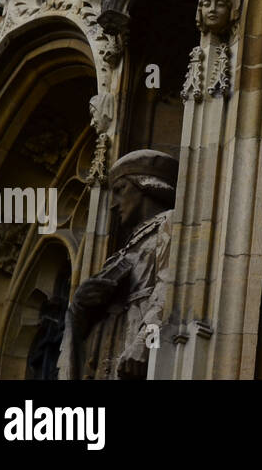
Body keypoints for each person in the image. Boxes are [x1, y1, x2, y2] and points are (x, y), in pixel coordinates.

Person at [59, 149, 177, 380]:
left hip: (136, 340)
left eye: (120, 190)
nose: (114, 204)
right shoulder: (125, 248)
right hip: (109, 348)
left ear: (146, 186)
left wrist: (145, 342)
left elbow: (169, 289)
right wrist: (81, 304)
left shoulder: (169, 223)